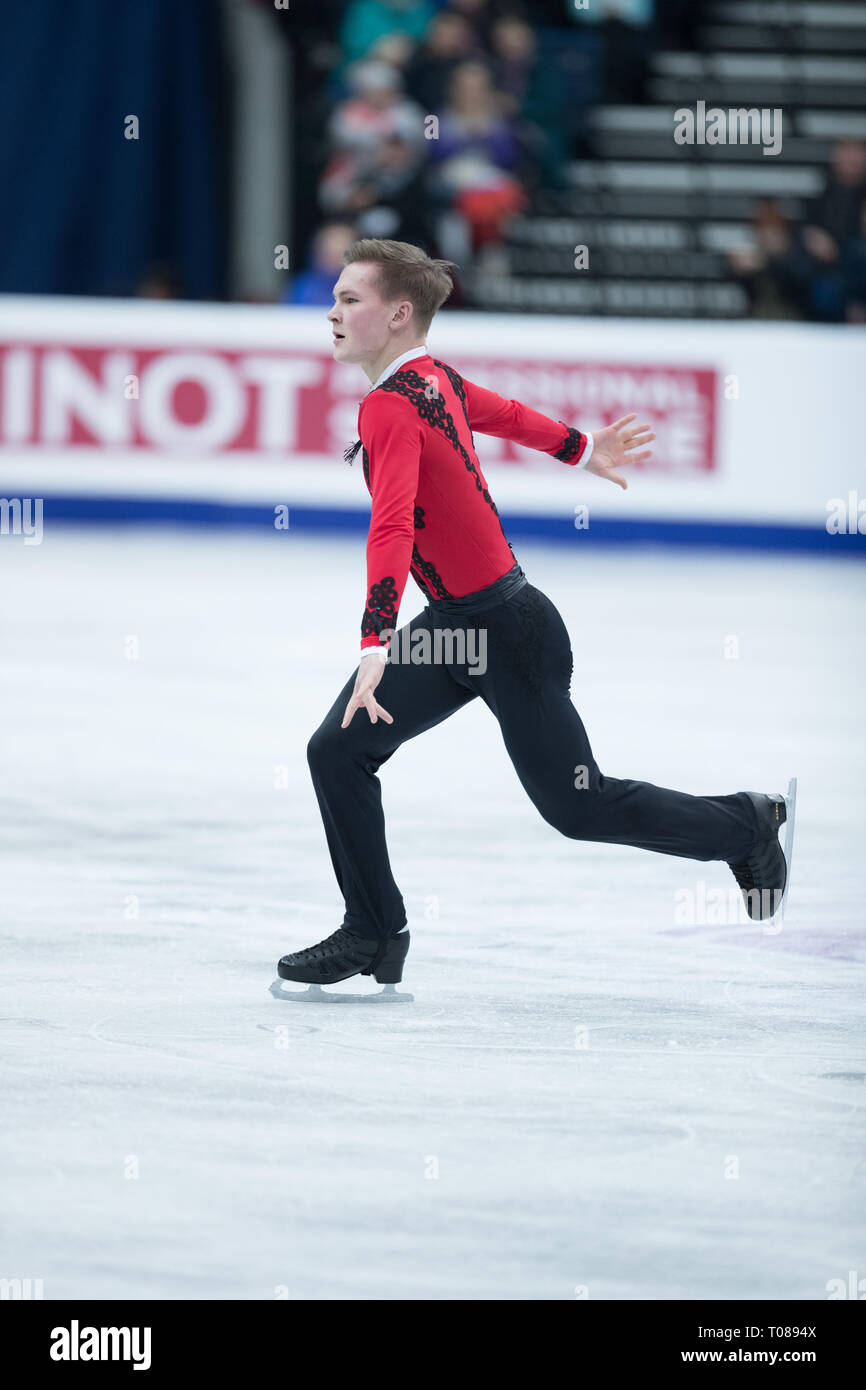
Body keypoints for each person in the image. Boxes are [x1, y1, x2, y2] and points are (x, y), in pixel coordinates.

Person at [274, 238, 793, 996]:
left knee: (580, 807)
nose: (333, 311)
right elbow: (507, 414)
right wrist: (583, 448)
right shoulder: (426, 379)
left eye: (351, 299)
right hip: (458, 627)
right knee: (337, 751)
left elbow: (391, 526)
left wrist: (374, 640)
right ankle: (374, 931)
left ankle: (744, 825)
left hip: (508, 634)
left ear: (398, 313)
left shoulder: (392, 402)